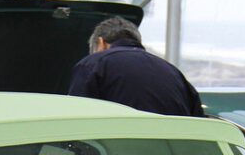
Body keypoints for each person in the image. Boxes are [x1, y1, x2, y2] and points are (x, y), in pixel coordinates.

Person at [68, 17, 202, 117]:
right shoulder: (173, 71)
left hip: (118, 148)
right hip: (169, 150)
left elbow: (77, 115)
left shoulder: (94, 63)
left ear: (101, 43)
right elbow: (197, 119)